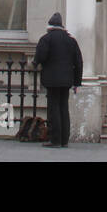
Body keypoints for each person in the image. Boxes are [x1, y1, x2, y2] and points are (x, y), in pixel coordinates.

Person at [33, 12, 83, 148]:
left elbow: (40, 57)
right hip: (67, 80)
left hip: (51, 79)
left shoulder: (46, 39)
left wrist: (35, 63)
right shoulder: (71, 40)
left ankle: (55, 139)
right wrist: (77, 82)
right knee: (63, 107)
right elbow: (79, 62)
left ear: (50, 27)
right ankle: (64, 139)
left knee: (53, 108)